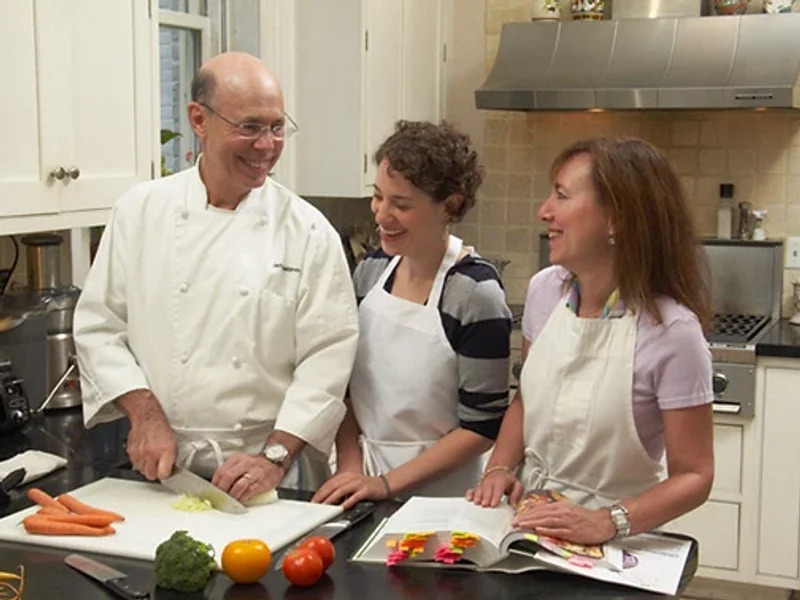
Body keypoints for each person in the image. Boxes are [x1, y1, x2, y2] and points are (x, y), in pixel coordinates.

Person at [73, 52, 359, 501]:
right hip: (161, 470)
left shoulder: (307, 230)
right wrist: (145, 416)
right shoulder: (140, 212)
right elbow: (99, 327)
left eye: (277, 127)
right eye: (249, 127)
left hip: (271, 478)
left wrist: (274, 457)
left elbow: (329, 356)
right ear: (198, 120)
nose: (266, 145)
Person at [467, 137, 714, 545]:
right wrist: (499, 468)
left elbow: (695, 475)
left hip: (619, 541)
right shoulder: (545, 292)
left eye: (561, 196)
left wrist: (605, 521)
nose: (543, 211)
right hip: (528, 521)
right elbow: (526, 398)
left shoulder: (673, 332)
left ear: (616, 218)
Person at [312, 120, 512, 509]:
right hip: (364, 485)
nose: (381, 215)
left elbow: (482, 427)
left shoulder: (474, 293)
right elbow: (345, 386)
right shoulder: (370, 271)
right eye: (378, 197)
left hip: (445, 498)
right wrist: (352, 471)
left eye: (401, 205)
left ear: (449, 206)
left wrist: (386, 484)